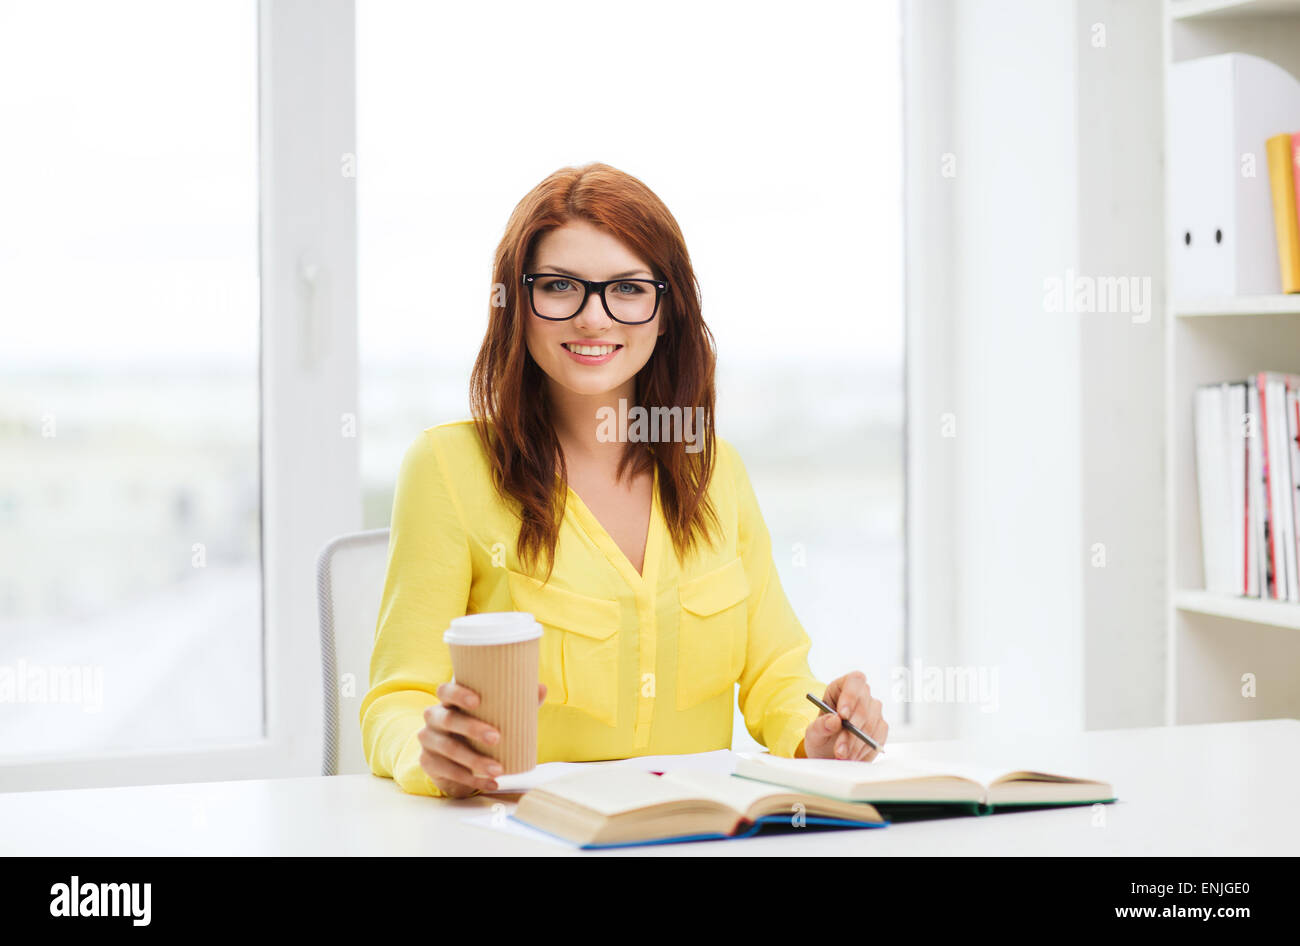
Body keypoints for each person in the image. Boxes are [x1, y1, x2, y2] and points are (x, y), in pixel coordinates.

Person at [360, 162, 888, 798]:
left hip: (696, 836)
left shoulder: (716, 470)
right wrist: (431, 751)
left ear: (667, 313)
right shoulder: (447, 468)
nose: (593, 318)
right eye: (559, 286)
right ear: (516, 306)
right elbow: (395, 700)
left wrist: (818, 733)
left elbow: (776, 672)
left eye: (629, 289)